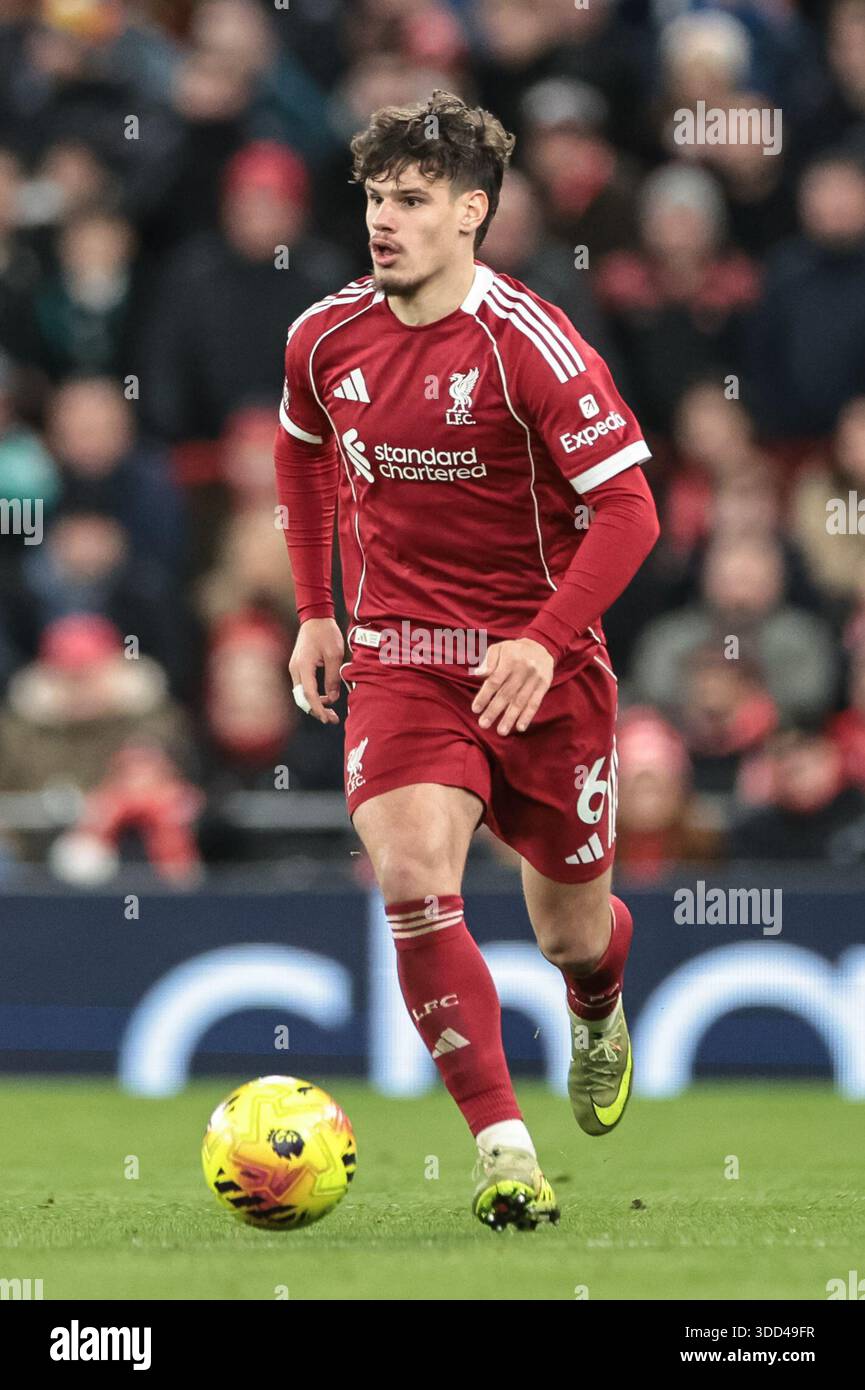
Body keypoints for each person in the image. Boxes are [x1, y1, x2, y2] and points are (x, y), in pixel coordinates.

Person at [273, 91, 660, 1232]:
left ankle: (596, 999)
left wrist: (544, 643)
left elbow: (630, 510)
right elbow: (298, 454)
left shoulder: (528, 344)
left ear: (472, 213)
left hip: (542, 669)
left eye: (411, 201)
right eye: (374, 199)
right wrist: (315, 610)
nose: (383, 221)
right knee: (407, 873)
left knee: (568, 932)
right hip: (400, 657)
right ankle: (505, 1152)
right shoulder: (323, 336)